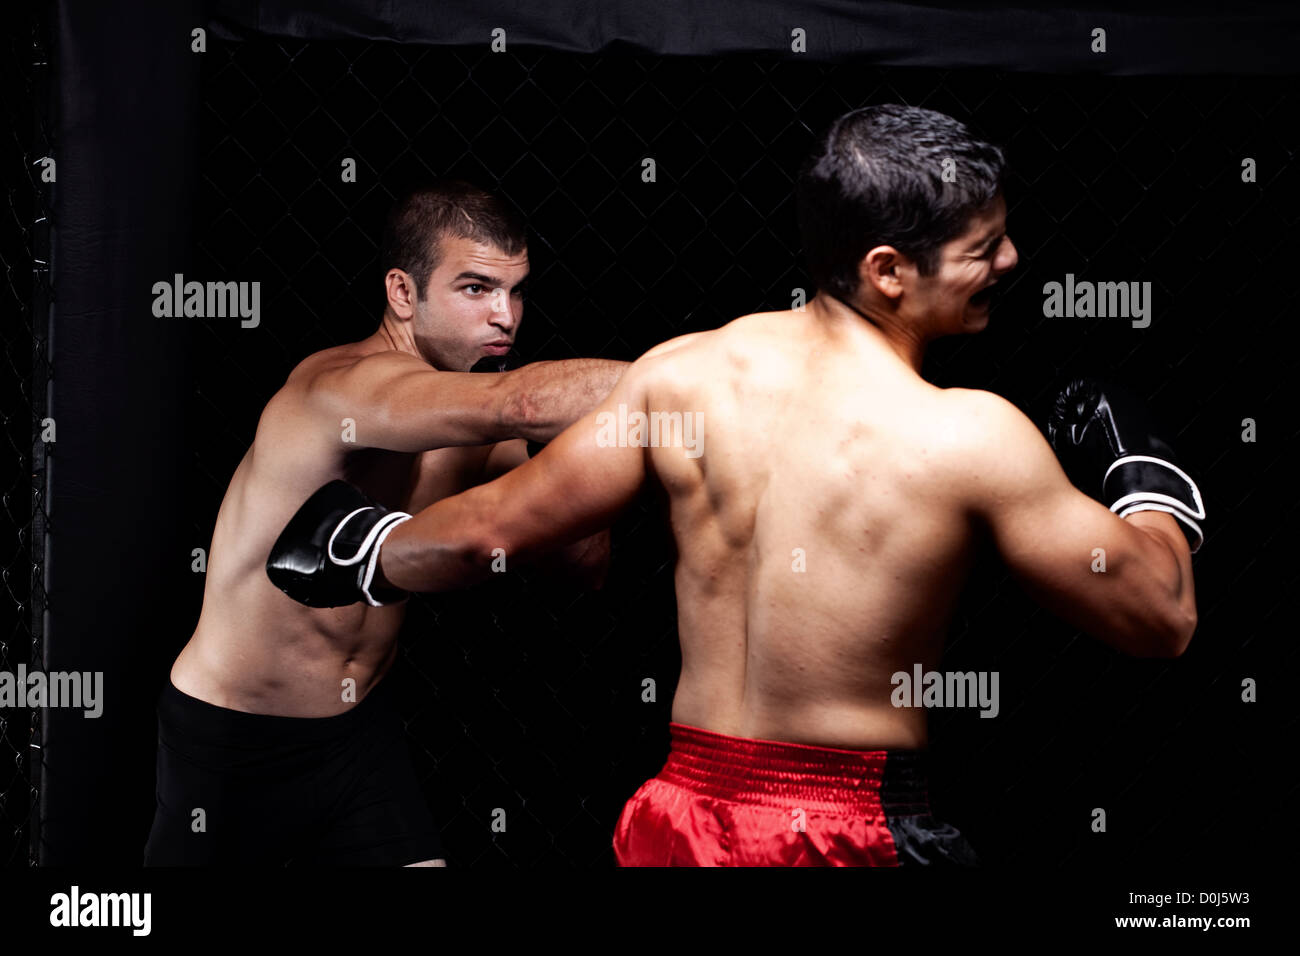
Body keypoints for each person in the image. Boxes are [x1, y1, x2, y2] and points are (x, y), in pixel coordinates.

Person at [267, 106, 1203, 866]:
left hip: (677, 822)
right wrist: (1147, 474)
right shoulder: (969, 434)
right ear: (886, 271)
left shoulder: (686, 375)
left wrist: (366, 546)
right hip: (846, 833)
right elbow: (1160, 617)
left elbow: (487, 533)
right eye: (983, 247)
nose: (1008, 263)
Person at [145, 180, 626, 866]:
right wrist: (700, 382)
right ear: (403, 292)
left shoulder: (481, 426)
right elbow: (517, 401)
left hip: (356, 736)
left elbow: (585, 563)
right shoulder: (339, 387)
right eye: (476, 289)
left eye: (515, 291)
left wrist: (570, 445)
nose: (506, 316)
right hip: (235, 740)